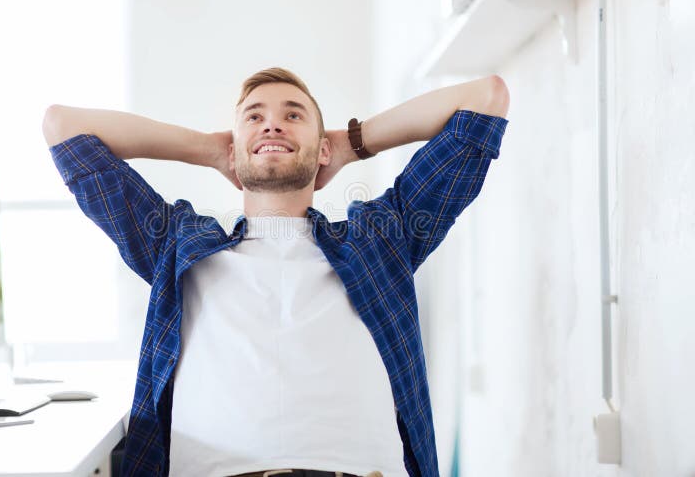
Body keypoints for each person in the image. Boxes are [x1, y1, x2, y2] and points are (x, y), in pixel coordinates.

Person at [43, 67, 510, 477]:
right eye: (254, 116)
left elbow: (486, 98)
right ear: (234, 150)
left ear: (322, 149)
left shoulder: (381, 240)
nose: (272, 122)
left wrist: (351, 143)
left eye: (293, 115)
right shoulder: (175, 245)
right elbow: (64, 127)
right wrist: (208, 149)